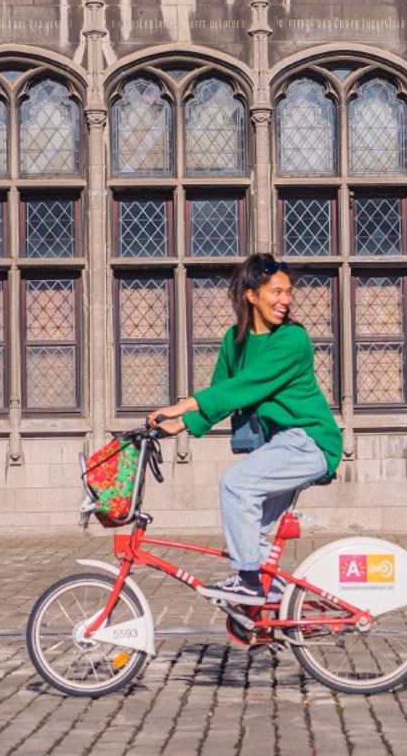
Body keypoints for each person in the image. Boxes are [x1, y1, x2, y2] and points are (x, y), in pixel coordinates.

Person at [148, 254, 342, 605]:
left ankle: (248, 583)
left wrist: (181, 404)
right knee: (258, 535)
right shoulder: (233, 341)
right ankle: (275, 608)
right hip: (276, 446)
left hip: (308, 440)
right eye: (277, 291)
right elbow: (223, 394)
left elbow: (245, 386)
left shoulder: (292, 340)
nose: (286, 300)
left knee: (236, 486)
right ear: (251, 295)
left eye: (289, 292)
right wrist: (175, 426)